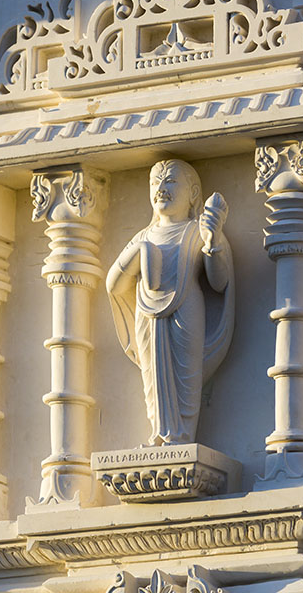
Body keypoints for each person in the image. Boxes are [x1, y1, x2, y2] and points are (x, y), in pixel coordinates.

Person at [106, 159, 235, 447]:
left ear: (192, 193)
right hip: (147, 316)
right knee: (153, 379)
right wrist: (138, 253)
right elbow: (113, 285)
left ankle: (181, 437)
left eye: (170, 181)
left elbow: (219, 282)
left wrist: (213, 239)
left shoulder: (195, 231)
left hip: (186, 311)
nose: (161, 188)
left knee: (185, 380)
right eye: (155, 182)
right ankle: (158, 434)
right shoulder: (143, 236)